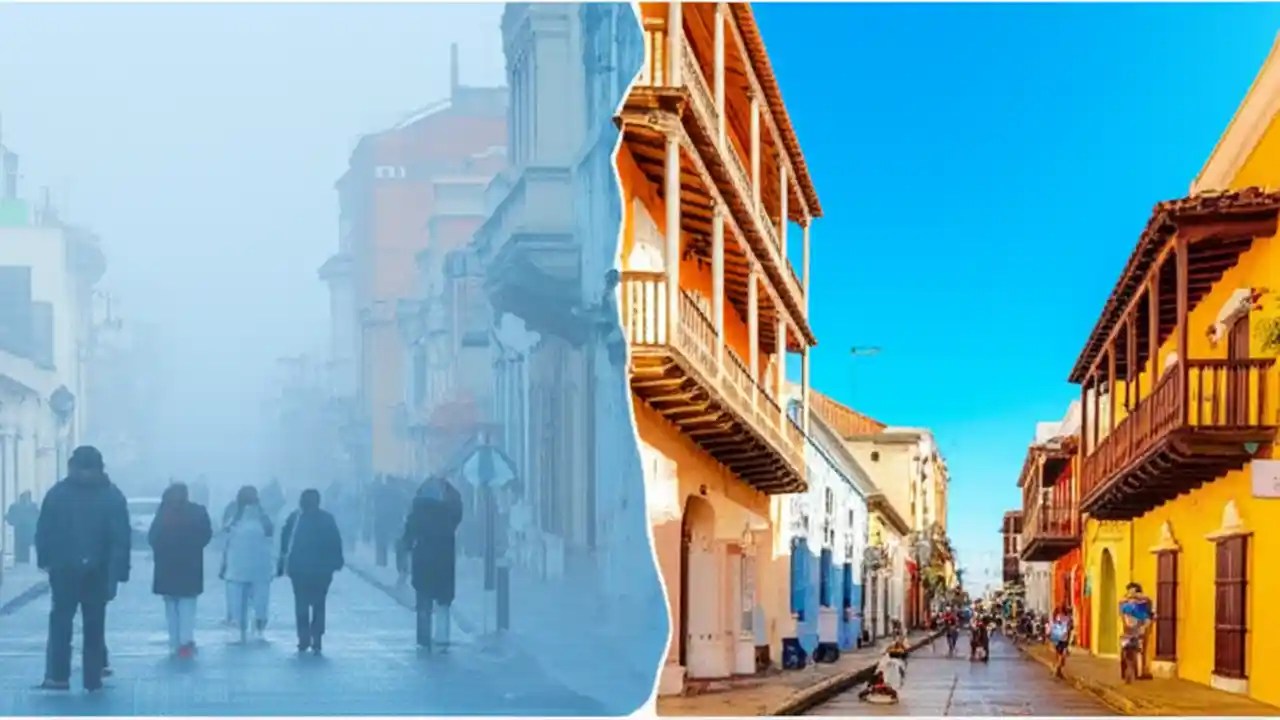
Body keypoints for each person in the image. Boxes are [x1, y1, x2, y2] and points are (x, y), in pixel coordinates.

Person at [34, 446, 130, 691]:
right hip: (99, 570)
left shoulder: (58, 493)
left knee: (61, 622)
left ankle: (58, 675)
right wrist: (119, 572)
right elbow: (121, 537)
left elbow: (44, 530)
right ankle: (92, 677)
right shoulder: (112, 495)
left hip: (64, 567)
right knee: (95, 624)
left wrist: (45, 559)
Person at [148, 482, 213, 657]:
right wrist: (194, 547)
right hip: (190, 566)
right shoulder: (197, 512)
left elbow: (152, 537)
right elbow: (206, 534)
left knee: (171, 606)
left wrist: (162, 551)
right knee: (187, 606)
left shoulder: (164, 512)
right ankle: (185, 642)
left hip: (166, 566)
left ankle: (174, 641)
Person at [278, 489, 344, 654]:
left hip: (299, 568)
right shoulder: (327, 519)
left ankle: (303, 637)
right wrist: (336, 562)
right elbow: (336, 542)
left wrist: (283, 562)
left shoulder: (295, 518)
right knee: (319, 602)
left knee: (301, 602)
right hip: (322, 569)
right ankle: (317, 636)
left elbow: (285, 542)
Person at [401, 475, 463, 652]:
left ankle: (423, 638)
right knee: (444, 601)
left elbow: (407, 538)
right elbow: (458, 510)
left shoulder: (417, 513)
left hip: (423, 562)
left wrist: (404, 556)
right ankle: (443, 637)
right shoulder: (448, 514)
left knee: (423, 600)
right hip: (445, 561)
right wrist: (448, 488)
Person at [223, 485, 274, 643]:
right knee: (260, 599)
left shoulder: (233, 512)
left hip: (236, 565)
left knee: (235, 598)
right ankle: (259, 626)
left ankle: (236, 626)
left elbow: (225, 532)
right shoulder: (262, 513)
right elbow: (270, 532)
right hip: (260, 566)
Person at [6, 491, 39, 564]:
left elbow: (37, 517)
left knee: (23, 549)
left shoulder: (31, 506)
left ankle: (21, 561)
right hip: (22, 530)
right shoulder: (17, 506)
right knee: (22, 548)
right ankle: (21, 561)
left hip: (24, 531)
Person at [1049, 606, 1073, 678]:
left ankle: (1058, 670)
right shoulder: (1067, 619)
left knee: (1060, 656)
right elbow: (1069, 630)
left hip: (1059, 639)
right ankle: (1056, 669)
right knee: (1062, 656)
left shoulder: (1060, 618)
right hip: (1062, 640)